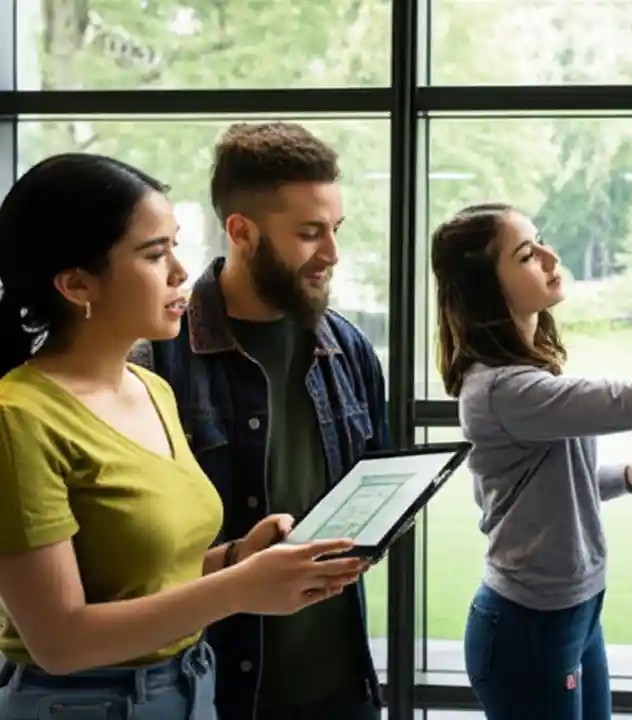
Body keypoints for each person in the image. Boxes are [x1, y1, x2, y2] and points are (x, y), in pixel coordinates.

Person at [0, 153, 366, 720]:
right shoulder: (17, 417)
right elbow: (59, 641)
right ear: (76, 283)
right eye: (153, 254)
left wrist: (237, 558)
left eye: (175, 245)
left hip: (190, 688)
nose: (179, 272)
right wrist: (241, 588)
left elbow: (145, 579)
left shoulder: (151, 388)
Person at [430, 165, 632, 719]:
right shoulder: (504, 389)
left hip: (574, 609)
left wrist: (630, 475)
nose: (549, 258)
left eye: (540, 244)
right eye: (525, 255)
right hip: (528, 626)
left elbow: (546, 490)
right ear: (488, 286)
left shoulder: (526, 375)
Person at [129, 123, 390, 720]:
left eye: (335, 230)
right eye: (309, 233)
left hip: (341, 685)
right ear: (241, 232)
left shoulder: (347, 347)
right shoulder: (153, 358)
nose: (332, 253)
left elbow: (375, 483)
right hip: (212, 690)